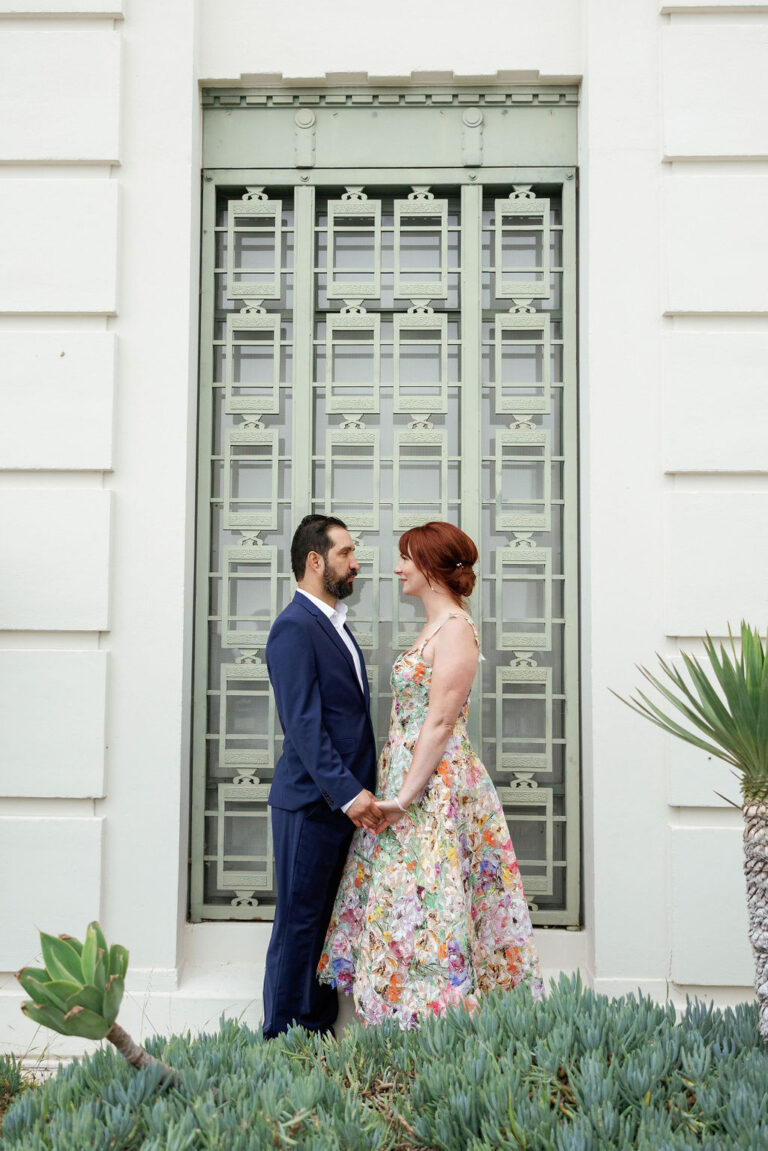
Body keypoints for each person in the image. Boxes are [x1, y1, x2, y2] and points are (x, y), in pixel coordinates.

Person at [318, 521, 543, 1027]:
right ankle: (399, 1017)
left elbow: (441, 721)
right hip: (408, 777)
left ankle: (441, 1020)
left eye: (405, 559)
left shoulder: (458, 629)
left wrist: (404, 798)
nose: (397, 568)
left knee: (434, 897)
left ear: (429, 567)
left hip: (434, 787)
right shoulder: (435, 627)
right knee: (408, 897)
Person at [262, 514, 382, 1039]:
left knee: (326, 924)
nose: (355, 564)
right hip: (312, 803)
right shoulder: (294, 627)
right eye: (345, 553)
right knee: (299, 924)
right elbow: (304, 726)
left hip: (339, 806)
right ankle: (282, 1038)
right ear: (316, 561)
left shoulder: (334, 624)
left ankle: (316, 1027)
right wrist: (349, 793)